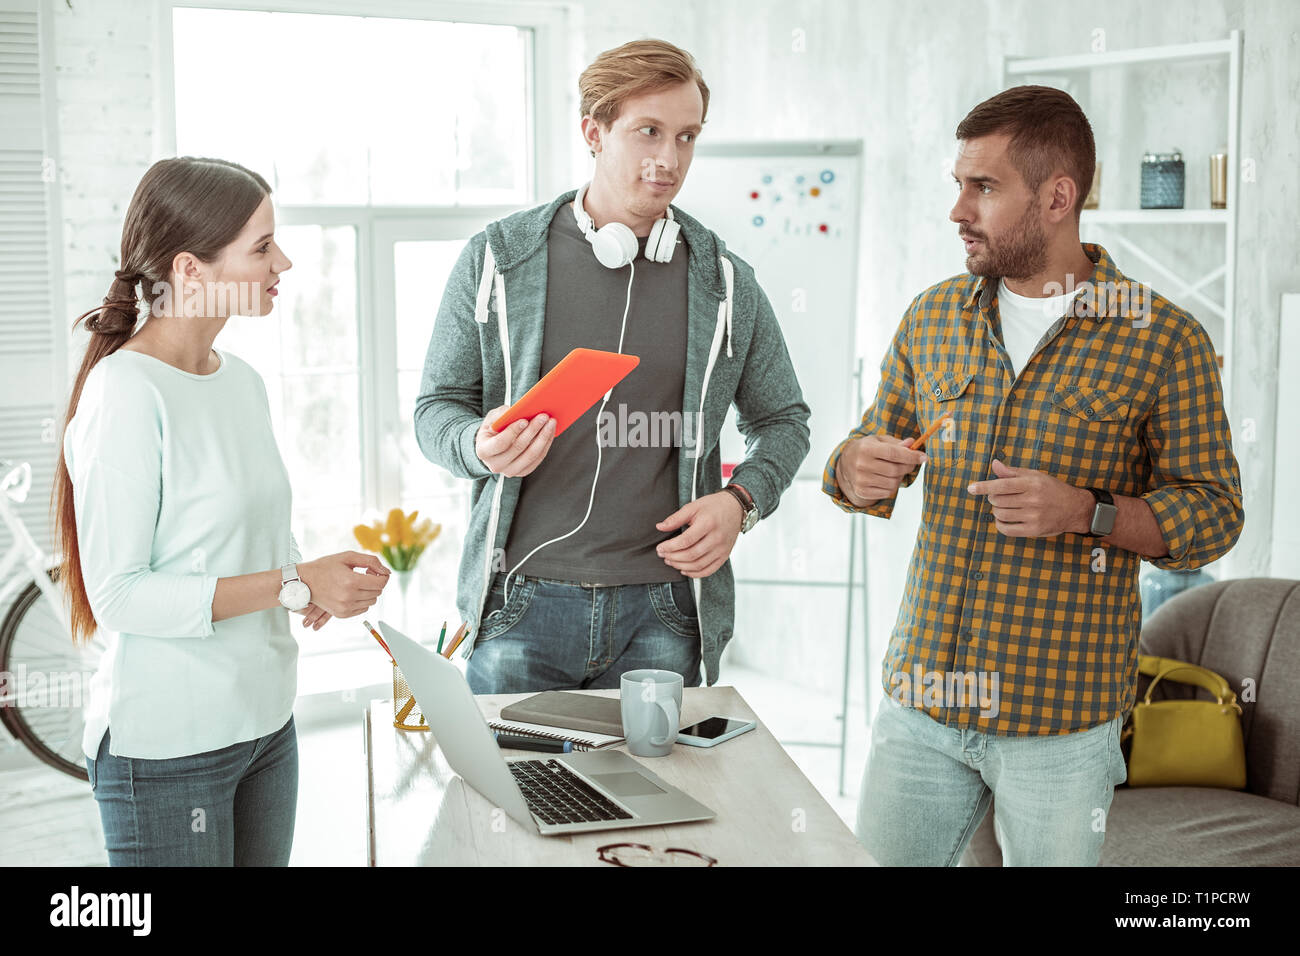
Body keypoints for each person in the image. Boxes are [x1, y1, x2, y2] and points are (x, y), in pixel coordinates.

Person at [822, 85, 1243, 866]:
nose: (958, 209)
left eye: (983, 187)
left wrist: (1089, 511)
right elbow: (864, 455)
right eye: (958, 184)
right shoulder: (932, 317)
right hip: (921, 705)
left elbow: (1214, 516)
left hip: (1061, 724)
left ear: (1058, 196)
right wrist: (855, 467)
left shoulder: (1164, 341)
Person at [415, 39, 810, 693]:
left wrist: (741, 503)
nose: (669, 159)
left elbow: (784, 419)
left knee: (655, 799)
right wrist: (478, 446)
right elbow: (436, 410)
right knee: (511, 798)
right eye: (648, 132)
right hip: (520, 607)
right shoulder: (498, 260)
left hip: (663, 614)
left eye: (687, 137)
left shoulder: (725, 281)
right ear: (593, 132)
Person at [54, 157, 391, 866]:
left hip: (267, 723)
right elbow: (118, 595)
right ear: (191, 269)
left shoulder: (240, 383)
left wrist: (308, 585)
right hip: (170, 747)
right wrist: (287, 581)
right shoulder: (124, 394)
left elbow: (240, 536)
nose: (285, 262)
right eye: (262, 247)